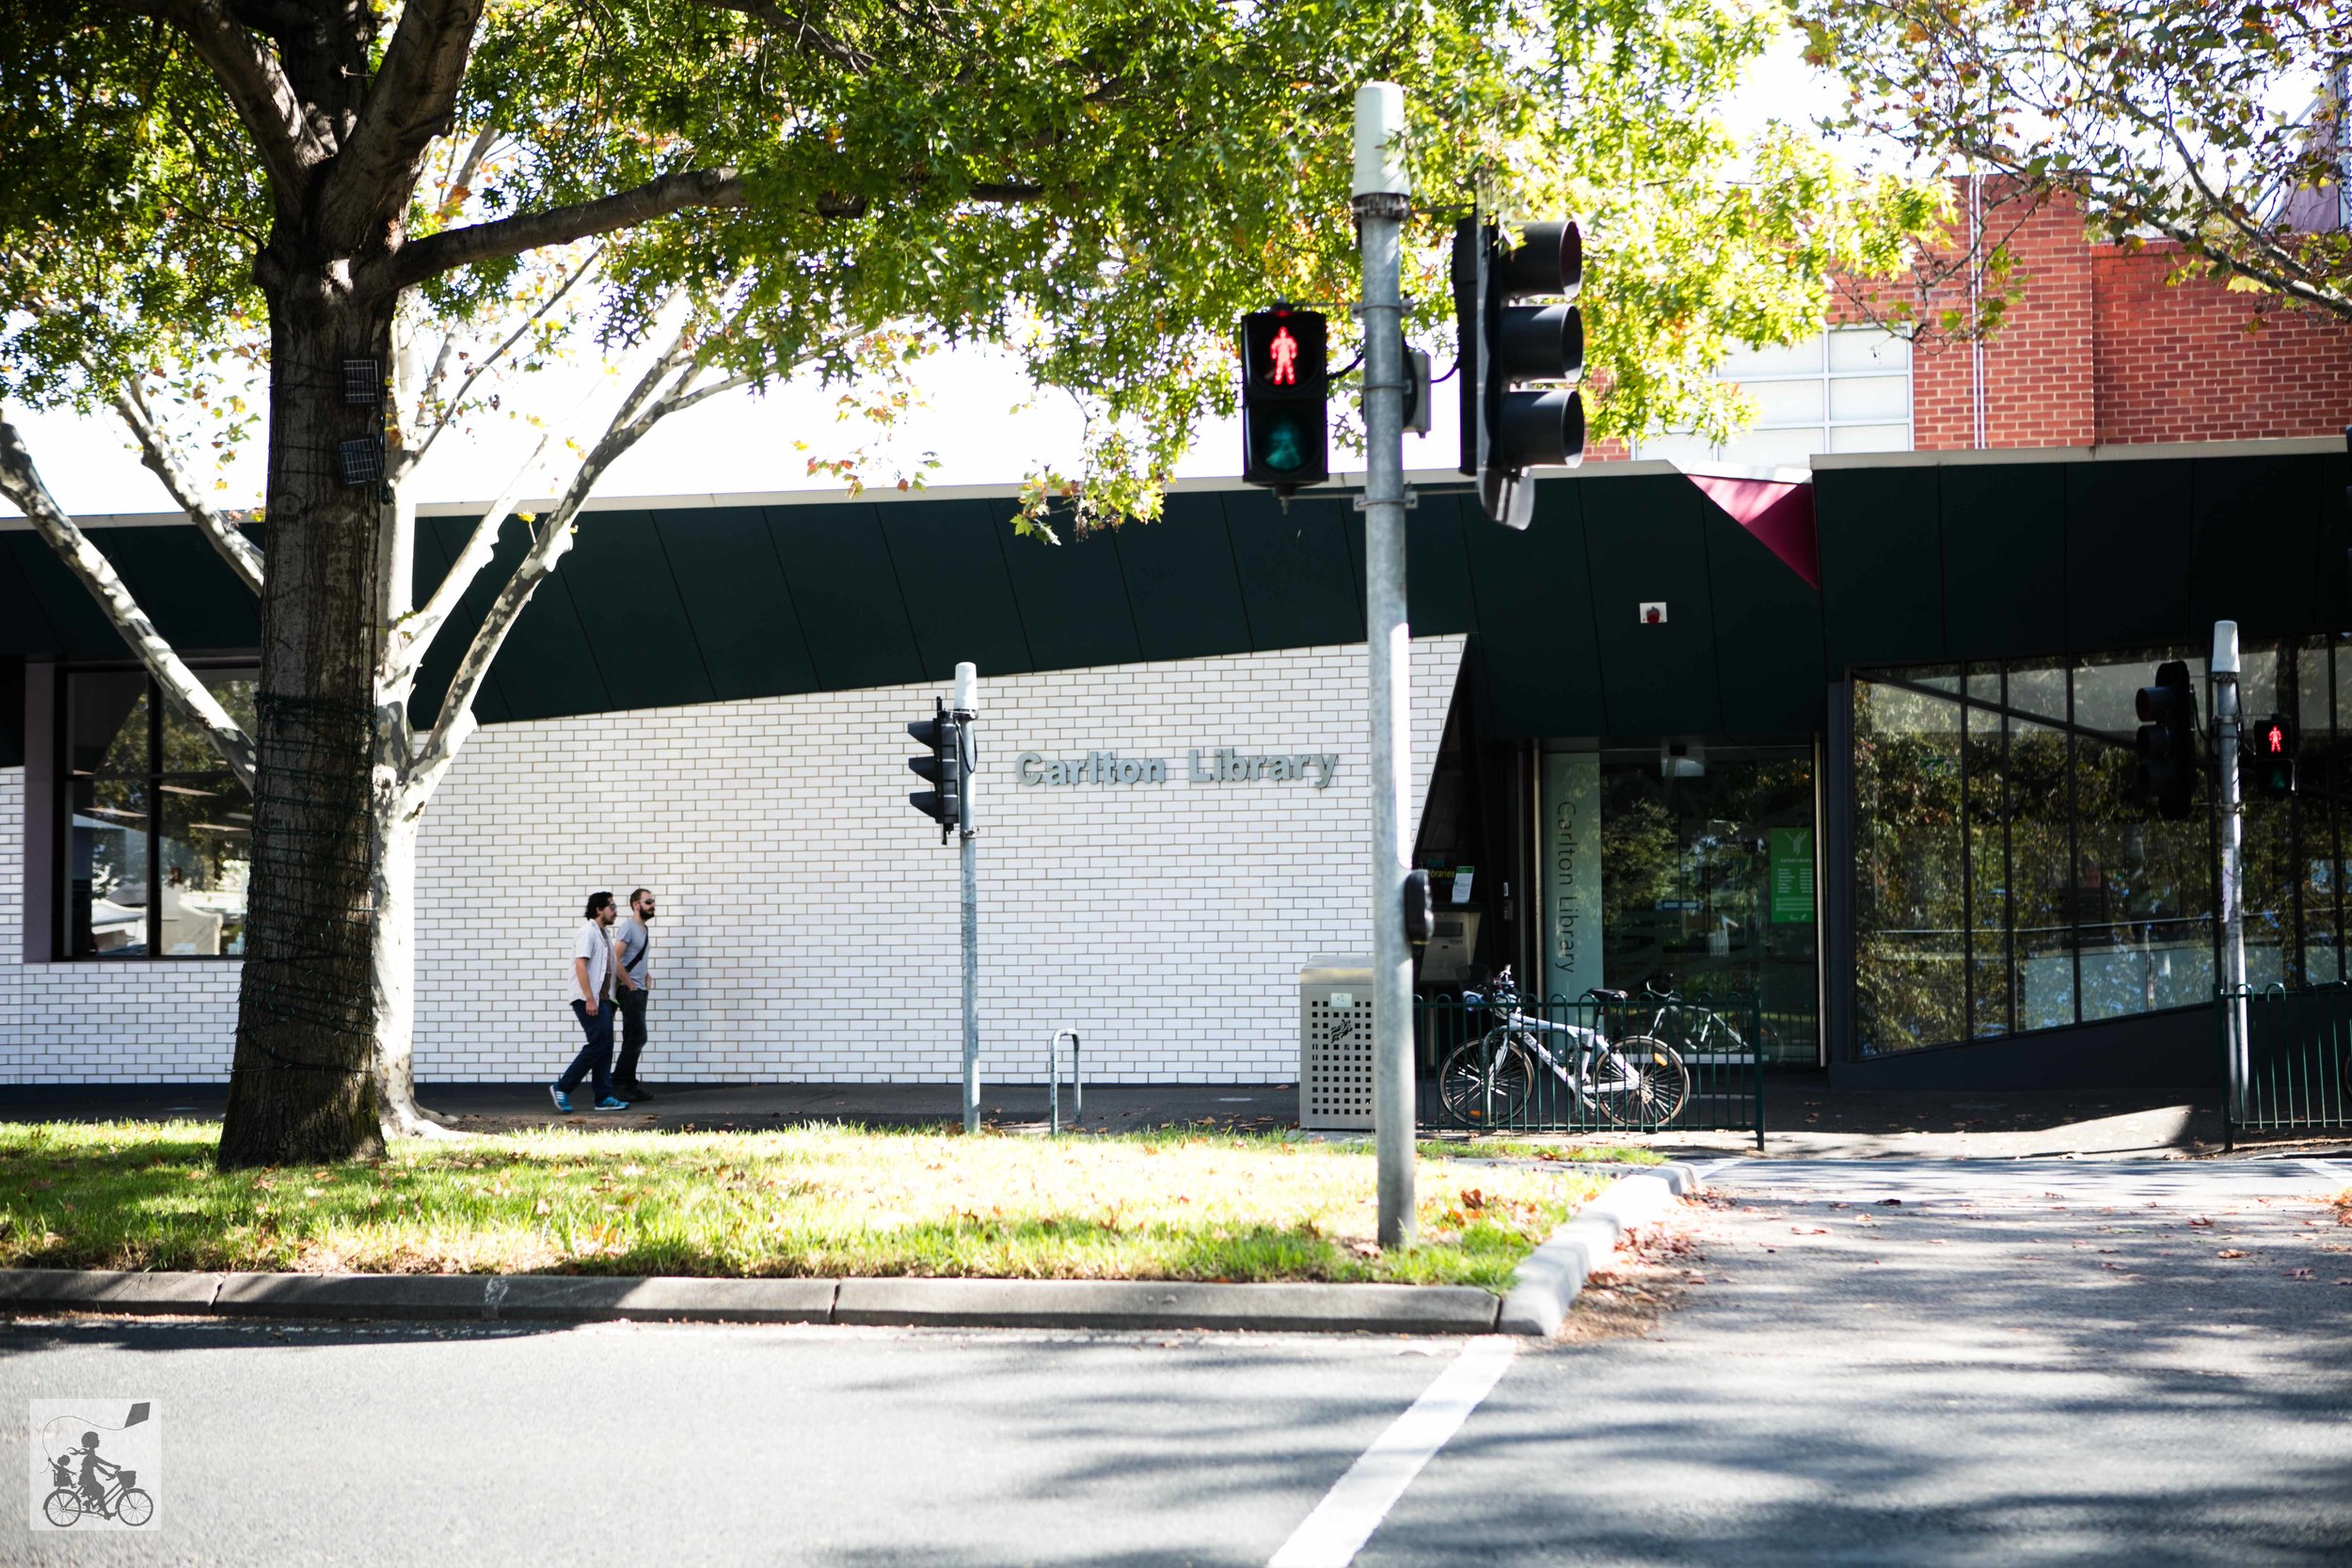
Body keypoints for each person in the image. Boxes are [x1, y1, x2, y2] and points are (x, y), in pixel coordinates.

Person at [551, 892, 629, 1113]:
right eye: (612, 906)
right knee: (598, 1044)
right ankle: (562, 1087)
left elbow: (609, 970)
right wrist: (589, 998)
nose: (616, 911)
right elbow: (580, 965)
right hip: (588, 998)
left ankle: (603, 1097)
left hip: (604, 1000)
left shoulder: (603, 934)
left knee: (605, 1047)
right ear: (598, 909)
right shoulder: (587, 932)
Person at [611, 888, 659, 1101]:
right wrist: (630, 984)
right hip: (630, 990)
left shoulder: (643, 929)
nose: (652, 905)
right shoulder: (628, 927)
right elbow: (615, 959)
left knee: (633, 1037)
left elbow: (635, 958)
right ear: (636, 904)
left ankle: (628, 1085)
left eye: (653, 901)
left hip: (639, 989)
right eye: (648, 901)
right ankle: (620, 1084)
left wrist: (646, 975)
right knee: (638, 1036)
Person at [72, 1433, 119, 1510]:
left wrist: (113, 1466)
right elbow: (97, 1466)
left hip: (89, 1477)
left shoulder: (91, 1453)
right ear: (91, 1442)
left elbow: (100, 1461)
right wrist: (108, 1474)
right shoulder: (90, 1454)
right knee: (100, 1491)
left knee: (100, 1491)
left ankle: (92, 1505)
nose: (98, 1441)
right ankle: (101, 1510)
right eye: (96, 1439)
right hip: (87, 1477)